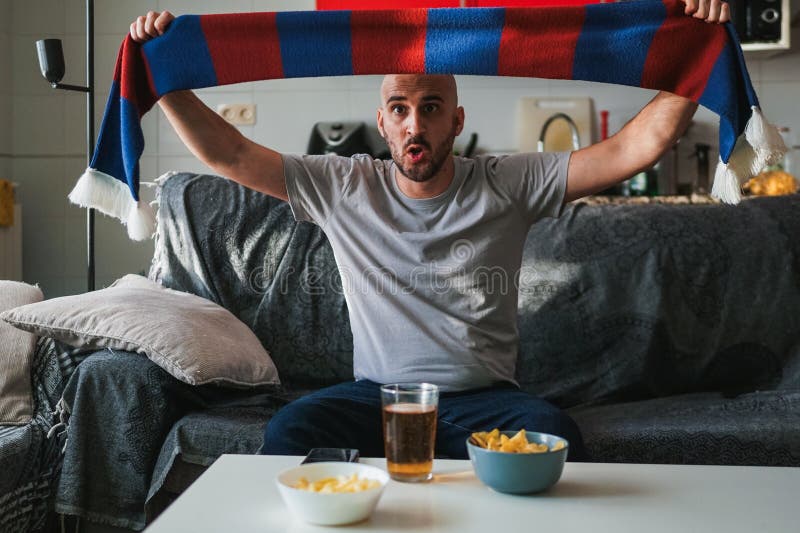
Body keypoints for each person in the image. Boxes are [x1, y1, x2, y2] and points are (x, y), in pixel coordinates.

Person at [131, 0, 730, 461]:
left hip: (486, 401)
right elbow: (230, 152)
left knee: (556, 437)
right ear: (383, 122)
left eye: (432, 107)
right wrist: (163, 75)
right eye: (400, 108)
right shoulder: (342, 185)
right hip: (379, 398)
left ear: (456, 119)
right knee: (291, 429)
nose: (415, 123)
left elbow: (634, 146)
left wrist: (697, 53)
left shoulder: (508, 183)